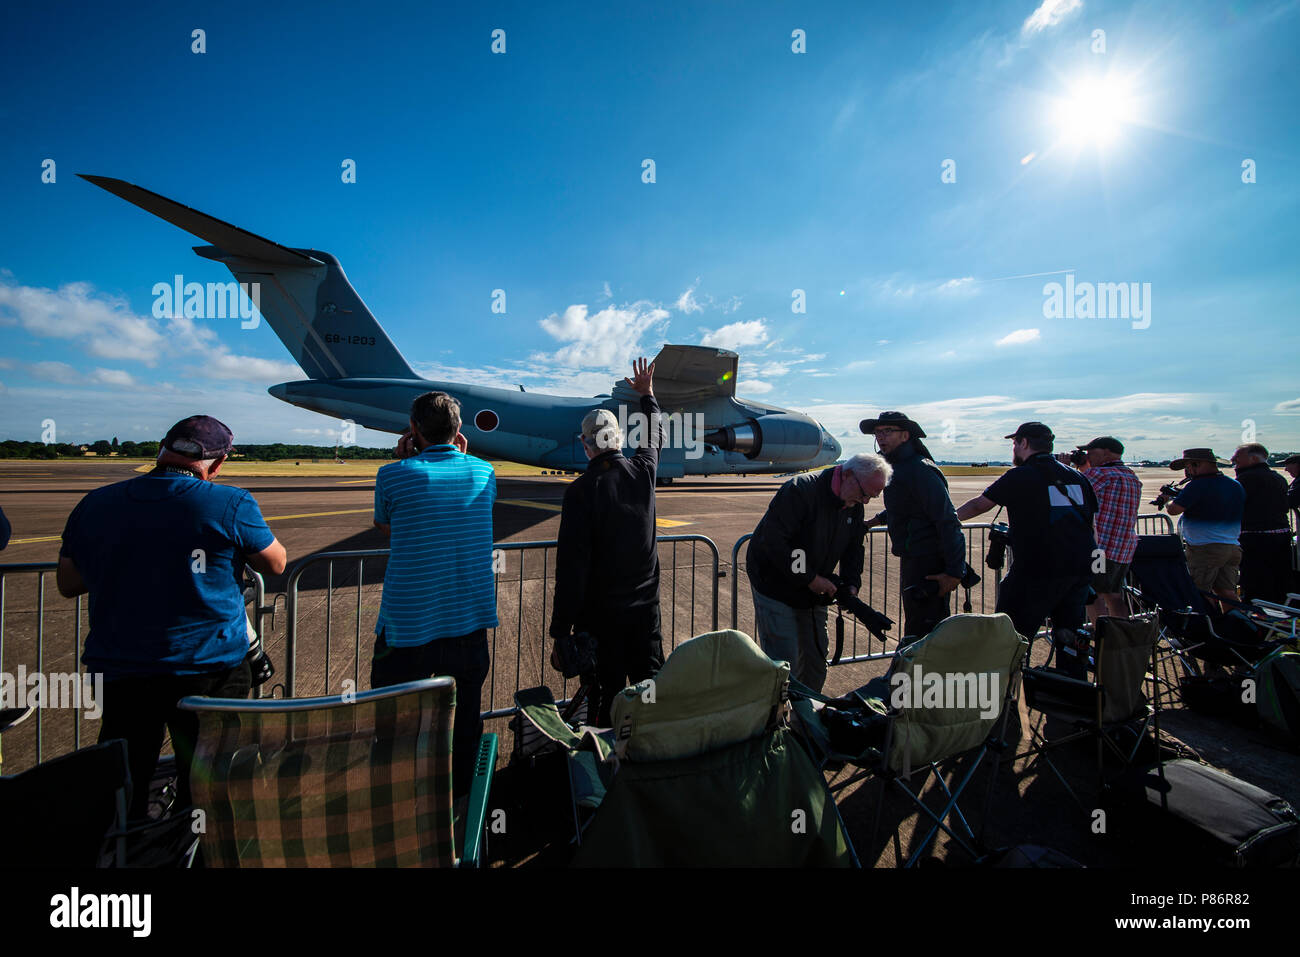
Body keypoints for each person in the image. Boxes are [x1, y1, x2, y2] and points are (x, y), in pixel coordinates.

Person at [56, 415, 287, 819]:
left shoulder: (96, 503)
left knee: (125, 777)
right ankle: (197, 846)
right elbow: (277, 564)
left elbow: (68, 582)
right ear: (216, 465)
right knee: (209, 777)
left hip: (122, 666)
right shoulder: (229, 501)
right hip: (207, 666)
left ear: (160, 450)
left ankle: (125, 851)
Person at [371, 391, 497, 798]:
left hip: (408, 628)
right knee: (466, 722)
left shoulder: (393, 475)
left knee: (395, 726)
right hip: (469, 625)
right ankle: (459, 801)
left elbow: (387, 528)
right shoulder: (485, 472)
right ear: (459, 431)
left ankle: (400, 801)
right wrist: (462, 457)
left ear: (413, 431)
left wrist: (404, 460)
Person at [549, 358, 664, 727]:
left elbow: (572, 568)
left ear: (585, 445)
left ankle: (605, 771)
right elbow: (653, 434)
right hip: (646, 615)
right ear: (618, 439)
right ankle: (651, 763)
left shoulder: (580, 492)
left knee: (605, 702)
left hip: (600, 624)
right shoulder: (644, 471)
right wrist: (647, 395)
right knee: (651, 692)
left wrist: (560, 630)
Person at [955, 423, 1098, 678]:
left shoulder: (1021, 475)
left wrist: (948, 521)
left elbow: (979, 505)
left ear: (1023, 443)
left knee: (1011, 635)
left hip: (1038, 570)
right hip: (1079, 569)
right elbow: (1090, 524)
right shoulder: (1077, 477)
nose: (1013, 449)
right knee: (1071, 637)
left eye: (1014, 444)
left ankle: (1008, 695)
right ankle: (1074, 693)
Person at [746, 452, 890, 692]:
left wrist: (851, 584)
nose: (866, 502)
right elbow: (776, 543)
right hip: (774, 585)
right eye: (865, 494)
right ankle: (777, 717)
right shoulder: (800, 491)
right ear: (847, 475)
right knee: (784, 660)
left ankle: (806, 713)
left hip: (814, 588)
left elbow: (854, 547)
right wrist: (810, 578)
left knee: (816, 657)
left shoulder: (853, 504)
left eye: (873, 497)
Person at [860, 411, 965, 639]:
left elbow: (947, 520)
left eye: (888, 431)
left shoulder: (919, 470)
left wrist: (955, 572)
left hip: (929, 565)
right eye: (878, 432)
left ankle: (919, 674)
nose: (880, 437)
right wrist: (872, 522)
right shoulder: (900, 468)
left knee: (923, 634)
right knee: (917, 627)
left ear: (906, 436)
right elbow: (907, 507)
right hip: (914, 561)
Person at [1164, 447, 1244, 610]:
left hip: (1206, 548)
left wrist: (1167, 501)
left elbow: (1174, 510)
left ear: (1197, 464)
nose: (1188, 471)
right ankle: (1237, 626)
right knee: (1227, 592)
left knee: (1200, 592)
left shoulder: (1198, 485)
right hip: (1232, 545)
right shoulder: (1235, 485)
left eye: (1188, 466)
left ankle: (1207, 627)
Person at [1072, 436, 1140, 624]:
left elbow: (1073, 489)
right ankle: (1122, 633)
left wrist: (1066, 468)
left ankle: (1104, 636)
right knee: (1114, 595)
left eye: (1091, 452)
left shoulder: (1100, 475)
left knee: (1093, 595)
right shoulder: (1130, 475)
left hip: (1100, 549)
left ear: (1106, 452)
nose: (1088, 456)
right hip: (1123, 548)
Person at [1230, 443, 1291, 603]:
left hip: (1255, 538)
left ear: (1254, 458)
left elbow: (1233, 505)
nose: (1233, 460)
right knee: (1278, 581)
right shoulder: (1278, 478)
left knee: (1255, 582)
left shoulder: (1246, 479)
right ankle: (1278, 617)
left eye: (1238, 457)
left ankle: (1257, 620)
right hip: (1281, 535)